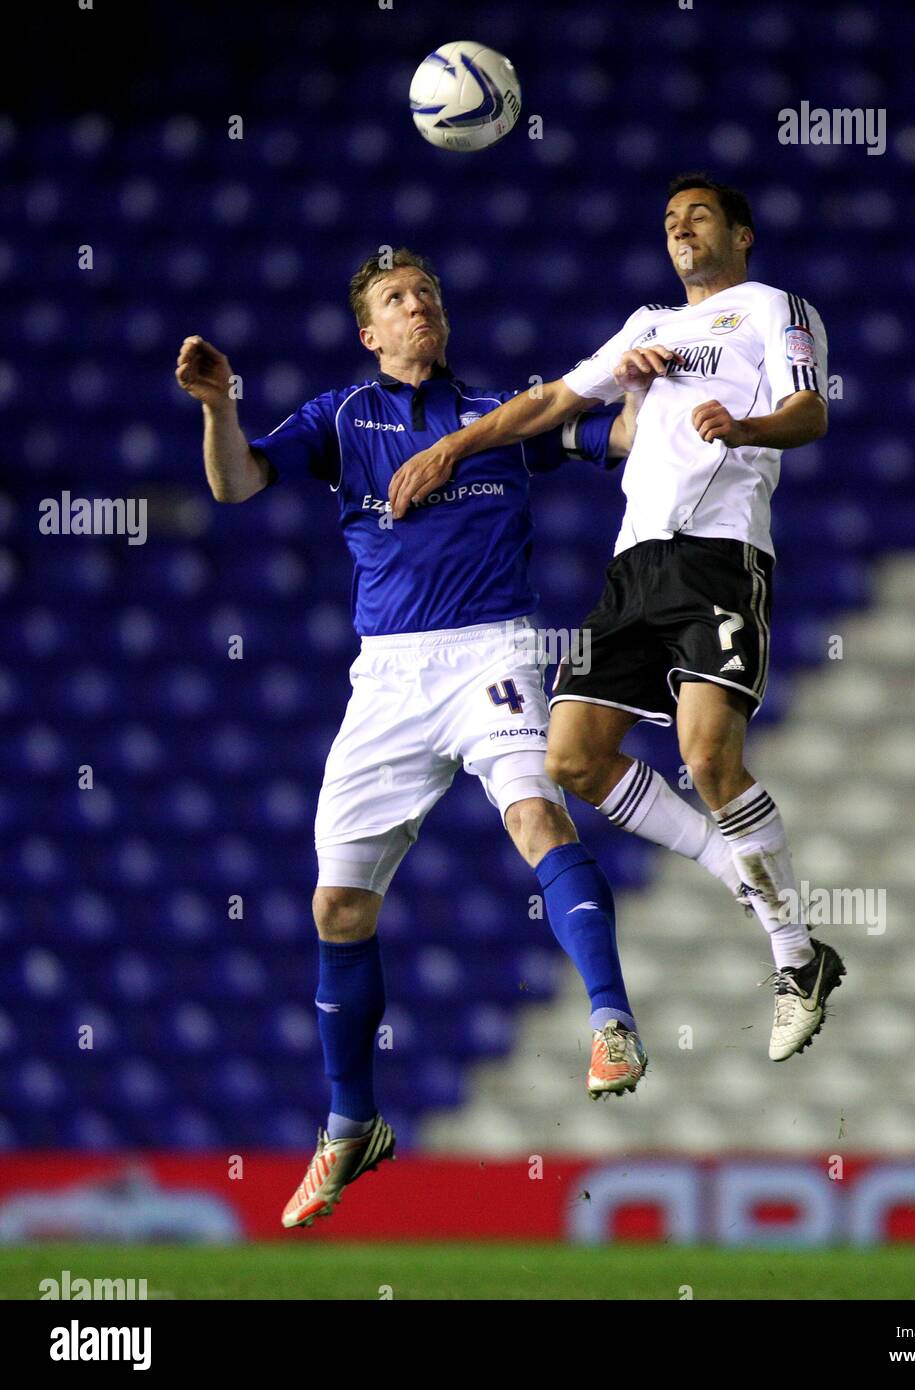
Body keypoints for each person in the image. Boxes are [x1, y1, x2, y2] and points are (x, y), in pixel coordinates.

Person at [176, 248, 646, 1231]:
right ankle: (352, 1121)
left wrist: (651, 384)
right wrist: (219, 410)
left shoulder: (502, 417)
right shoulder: (344, 417)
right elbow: (236, 487)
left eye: (427, 292)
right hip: (388, 673)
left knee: (534, 813)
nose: (417, 303)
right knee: (338, 905)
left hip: (494, 653)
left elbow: (621, 441)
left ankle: (611, 1021)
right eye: (396, 298)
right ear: (369, 334)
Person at [389, 174, 847, 1062]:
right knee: (572, 759)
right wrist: (452, 444)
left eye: (700, 215)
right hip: (633, 566)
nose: (680, 229)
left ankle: (798, 958)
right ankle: (730, 871)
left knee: (709, 758)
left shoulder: (772, 308)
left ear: (742, 234)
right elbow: (555, 402)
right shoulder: (647, 328)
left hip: (718, 556)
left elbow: (810, 411)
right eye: (670, 221)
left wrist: (744, 428)